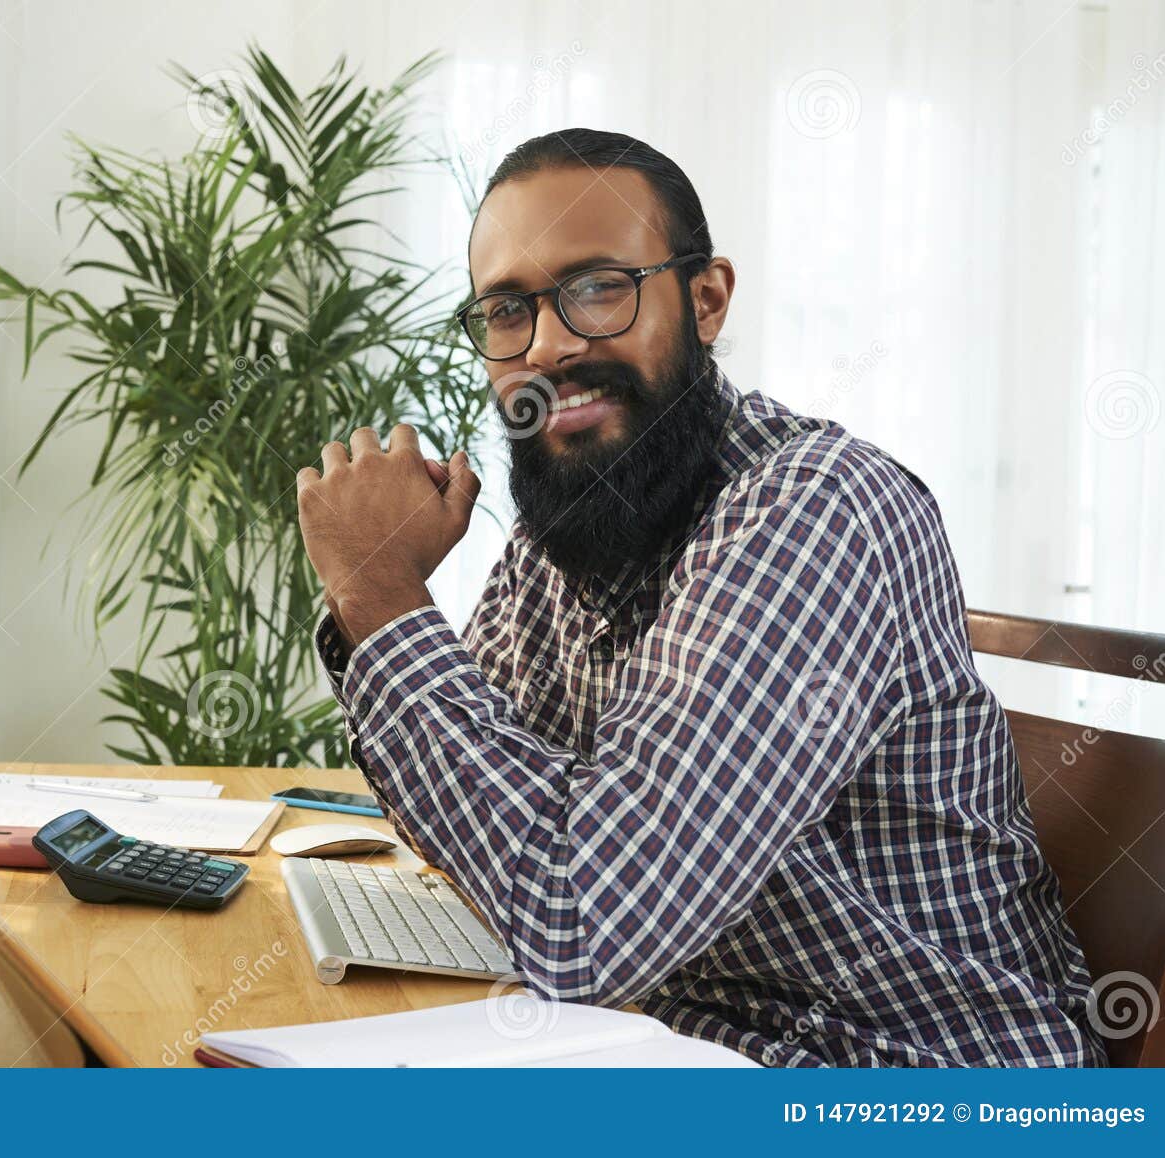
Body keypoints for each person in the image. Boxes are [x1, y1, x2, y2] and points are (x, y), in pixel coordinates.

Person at [294, 128, 1106, 1067]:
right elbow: (484, 832)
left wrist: (380, 594)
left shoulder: (819, 512)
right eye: (507, 309)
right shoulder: (570, 528)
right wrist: (375, 604)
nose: (548, 346)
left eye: (598, 287)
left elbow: (580, 922)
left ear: (706, 299)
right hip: (671, 1052)